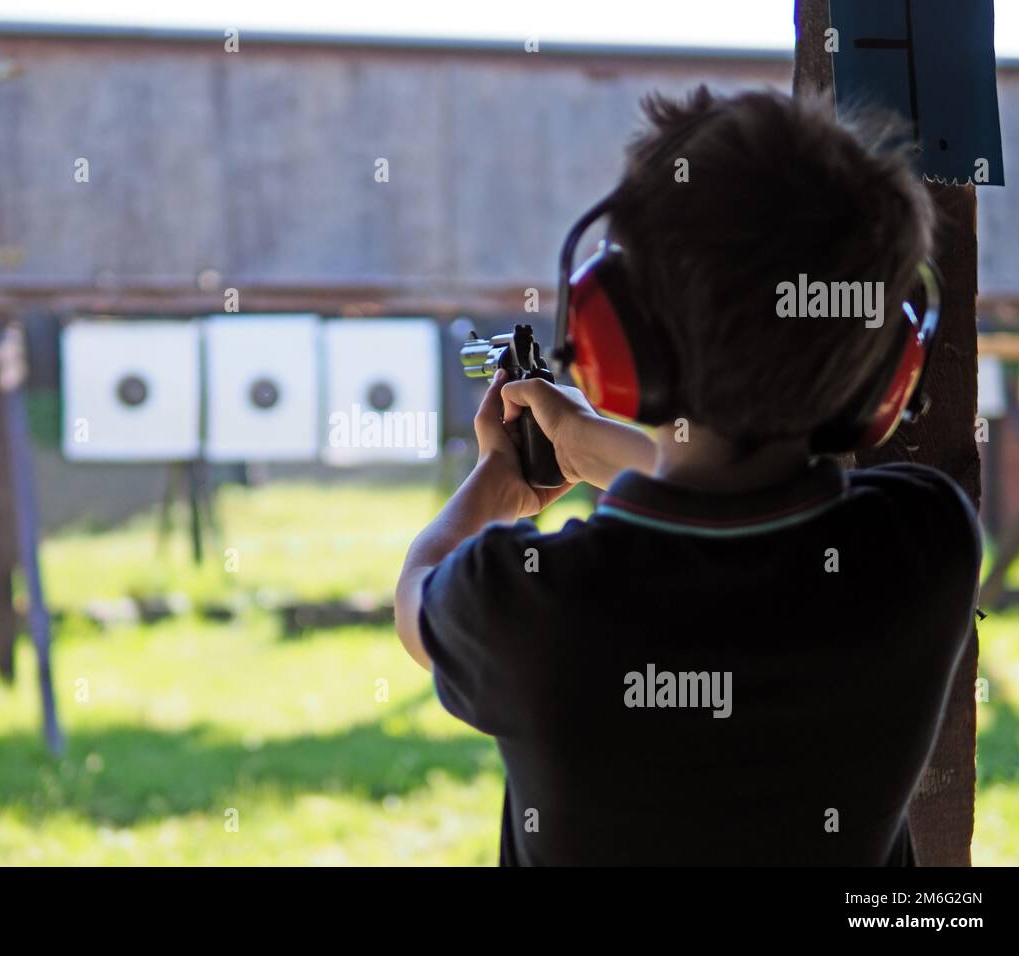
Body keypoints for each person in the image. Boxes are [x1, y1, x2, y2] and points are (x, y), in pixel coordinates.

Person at [393, 87, 981, 865]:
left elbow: (418, 595)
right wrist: (590, 444)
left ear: (615, 336)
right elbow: (750, 505)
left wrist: (500, 483)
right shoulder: (923, 542)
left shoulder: (527, 605)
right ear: (889, 372)